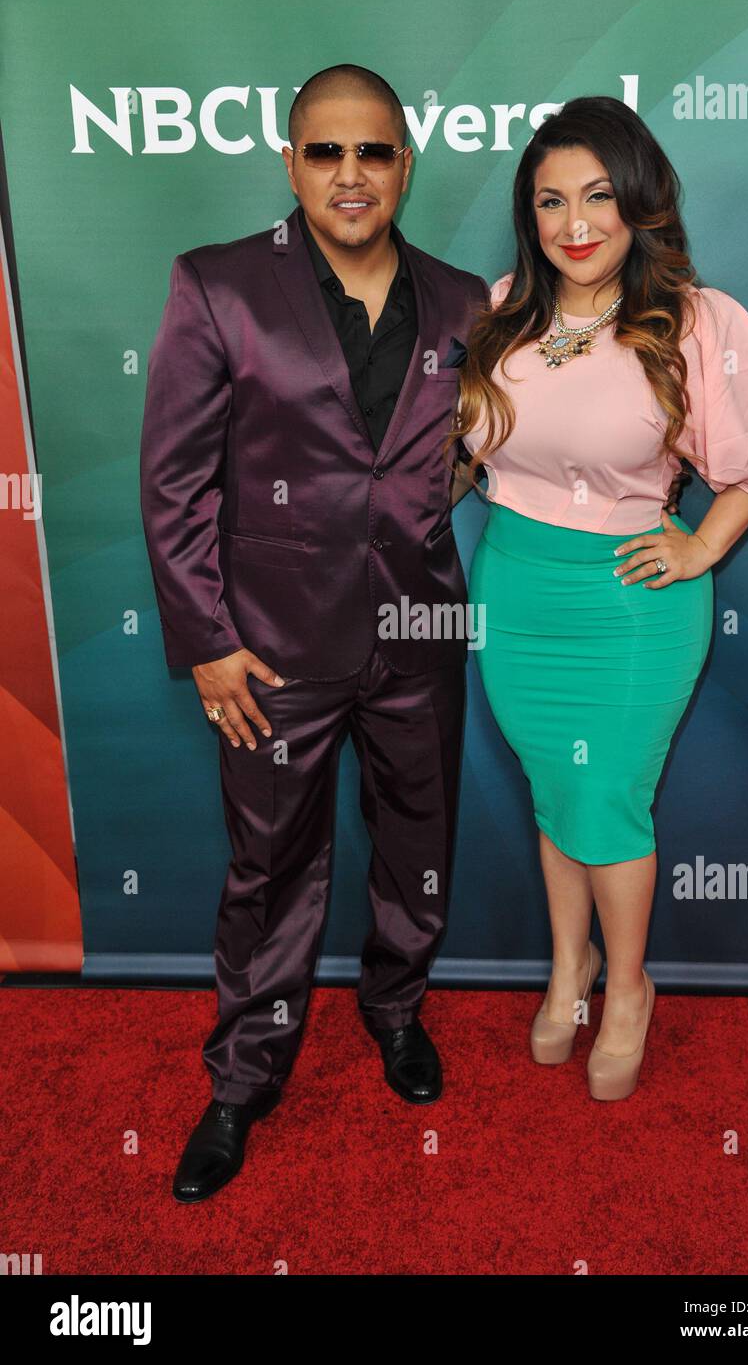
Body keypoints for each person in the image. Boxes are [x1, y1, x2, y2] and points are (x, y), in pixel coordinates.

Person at [139, 64, 491, 1203]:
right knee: (271, 867)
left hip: (420, 628)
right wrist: (205, 638)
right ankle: (243, 1076)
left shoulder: (460, 301)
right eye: (327, 152)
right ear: (290, 163)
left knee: (415, 847)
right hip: (271, 652)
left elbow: (471, 447)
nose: (351, 175)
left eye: (374, 152)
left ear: (404, 163)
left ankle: (395, 1013)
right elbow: (175, 481)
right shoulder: (219, 285)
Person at [448, 95, 748, 1101]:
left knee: (606, 797)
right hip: (514, 592)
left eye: (598, 195)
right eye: (551, 200)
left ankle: (630, 984)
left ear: (639, 199)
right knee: (557, 794)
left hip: (628, 604)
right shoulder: (508, 304)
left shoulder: (696, 318)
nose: (575, 223)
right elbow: (471, 455)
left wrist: (699, 547)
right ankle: (572, 967)